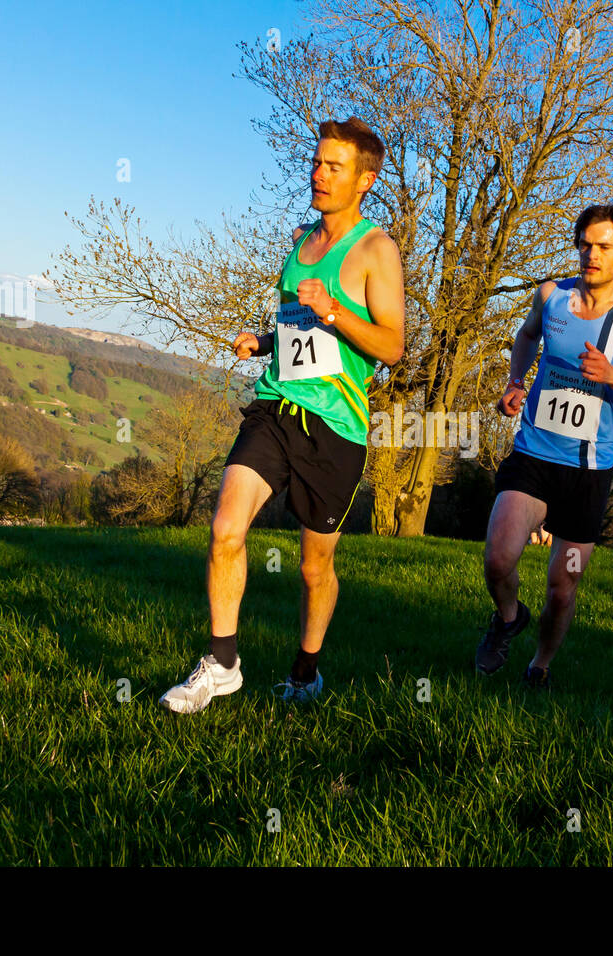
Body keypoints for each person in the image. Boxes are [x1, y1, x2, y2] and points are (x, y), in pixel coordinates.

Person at [161, 117, 405, 712]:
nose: (318, 175)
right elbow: (293, 326)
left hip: (336, 425)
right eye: (317, 163)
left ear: (365, 180)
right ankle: (221, 663)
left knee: (313, 567)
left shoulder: (376, 250)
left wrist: (336, 313)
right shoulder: (300, 240)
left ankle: (305, 672)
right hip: (276, 405)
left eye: (334, 168)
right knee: (225, 528)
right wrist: (264, 343)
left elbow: (393, 345)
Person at [474, 203, 613, 688]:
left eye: (604, 246)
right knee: (498, 558)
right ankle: (508, 618)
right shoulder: (551, 296)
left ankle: (539, 665)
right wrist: (516, 381)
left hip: (588, 471)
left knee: (562, 588)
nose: (591, 254)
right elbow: (526, 335)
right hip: (534, 455)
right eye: (585, 244)